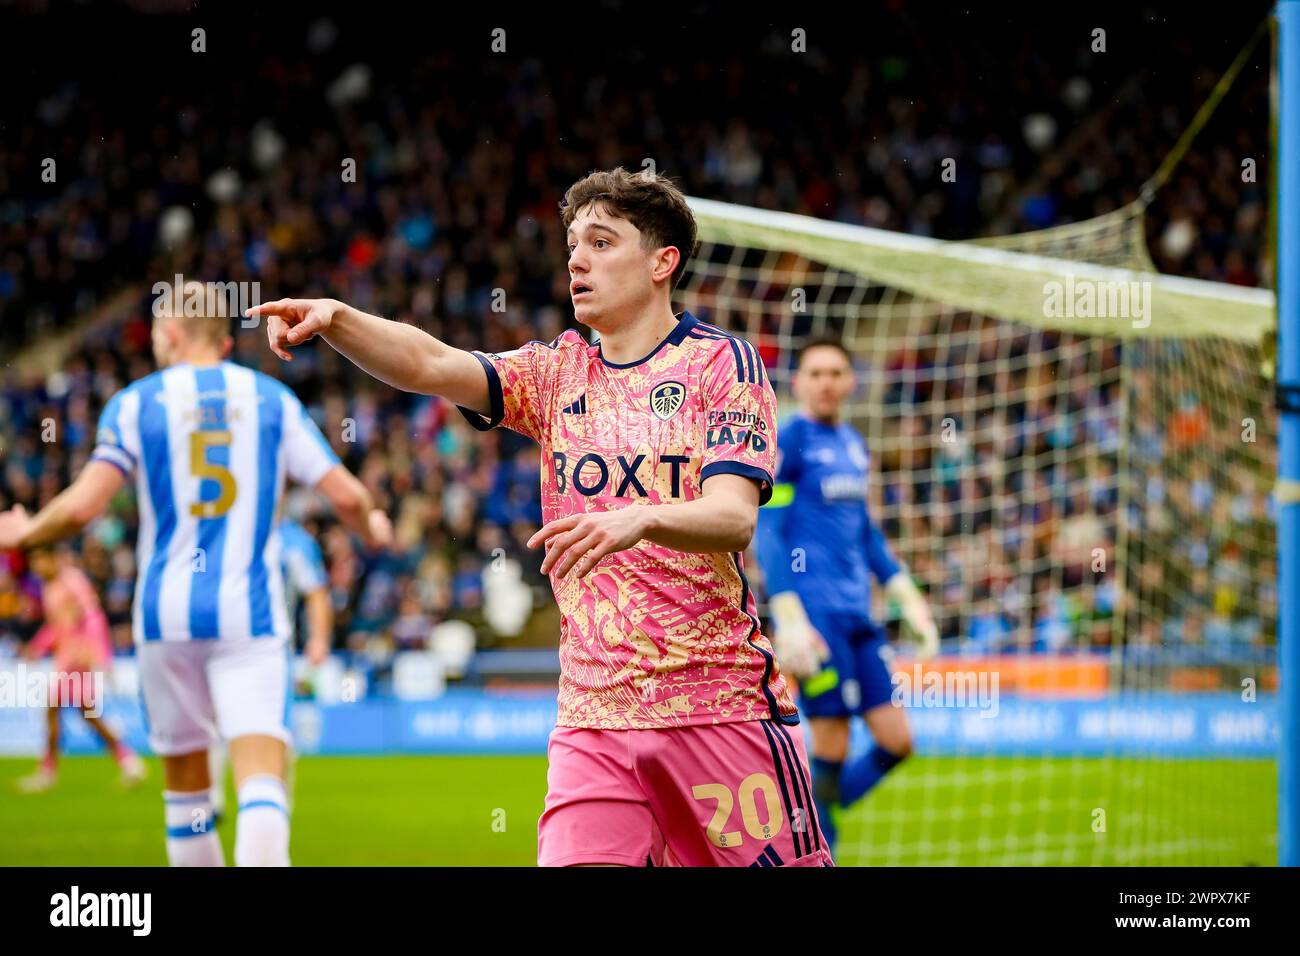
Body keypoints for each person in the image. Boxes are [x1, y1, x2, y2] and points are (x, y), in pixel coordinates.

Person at [247, 167, 832, 866]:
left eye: (601, 242)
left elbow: (734, 517)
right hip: (593, 721)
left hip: (718, 708)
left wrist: (637, 519)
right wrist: (340, 318)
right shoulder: (556, 374)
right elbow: (431, 363)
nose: (576, 260)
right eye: (571, 245)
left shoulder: (721, 364)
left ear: (661, 261)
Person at [0, 290, 391, 865]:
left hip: (165, 619)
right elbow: (346, 496)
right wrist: (374, 525)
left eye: (157, 333)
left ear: (172, 334)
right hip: (249, 618)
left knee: (187, 795)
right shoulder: (272, 401)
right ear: (227, 343)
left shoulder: (135, 404)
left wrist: (26, 532)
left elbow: (84, 508)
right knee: (261, 779)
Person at [754, 337, 940, 853]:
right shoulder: (790, 442)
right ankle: (816, 847)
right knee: (832, 740)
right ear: (799, 383)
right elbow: (769, 530)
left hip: (860, 616)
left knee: (897, 741)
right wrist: (788, 612)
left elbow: (866, 534)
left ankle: (807, 821)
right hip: (816, 619)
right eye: (815, 373)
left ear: (851, 381)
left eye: (835, 372)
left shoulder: (856, 446)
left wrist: (908, 598)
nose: (826, 382)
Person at [14, 546, 145, 793]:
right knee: (81, 714)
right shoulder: (49, 587)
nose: (37, 567)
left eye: (40, 560)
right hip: (67, 658)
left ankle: (49, 771)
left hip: (78, 660)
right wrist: (37, 648)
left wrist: (102, 657)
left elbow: (93, 617)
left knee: (61, 711)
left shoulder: (72, 580)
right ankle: (127, 761)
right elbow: (57, 626)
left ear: (52, 557)